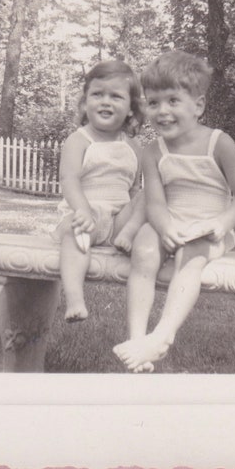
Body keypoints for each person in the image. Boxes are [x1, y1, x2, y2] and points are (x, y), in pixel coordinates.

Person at [113, 51, 235, 372]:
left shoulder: (219, 143)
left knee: (190, 256)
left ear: (199, 106)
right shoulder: (153, 152)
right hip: (169, 222)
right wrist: (163, 228)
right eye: (154, 102)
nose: (162, 111)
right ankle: (138, 339)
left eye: (173, 101)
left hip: (206, 227)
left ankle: (162, 336)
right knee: (144, 249)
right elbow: (156, 203)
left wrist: (221, 223)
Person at [55, 60, 145, 322]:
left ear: (131, 109)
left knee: (147, 196)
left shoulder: (134, 146)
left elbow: (135, 188)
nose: (105, 101)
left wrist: (133, 221)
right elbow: (69, 178)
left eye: (115, 96)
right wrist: (82, 210)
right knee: (75, 234)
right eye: (97, 94)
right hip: (85, 216)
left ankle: (136, 241)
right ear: (85, 103)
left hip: (119, 222)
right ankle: (74, 299)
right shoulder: (79, 140)